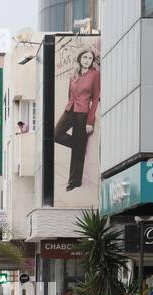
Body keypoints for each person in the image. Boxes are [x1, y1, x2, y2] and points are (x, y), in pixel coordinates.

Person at [54, 48, 100, 192]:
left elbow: (96, 99)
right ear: (80, 59)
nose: (87, 60)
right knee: (56, 134)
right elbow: (70, 94)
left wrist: (90, 121)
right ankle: (79, 144)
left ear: (92, 61)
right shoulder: (73, 74)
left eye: (90, 58)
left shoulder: (95, 75)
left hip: (83, 114)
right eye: (84, 57)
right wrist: (69, 107)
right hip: (70, 110)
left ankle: (74, 181)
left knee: (78, 151)